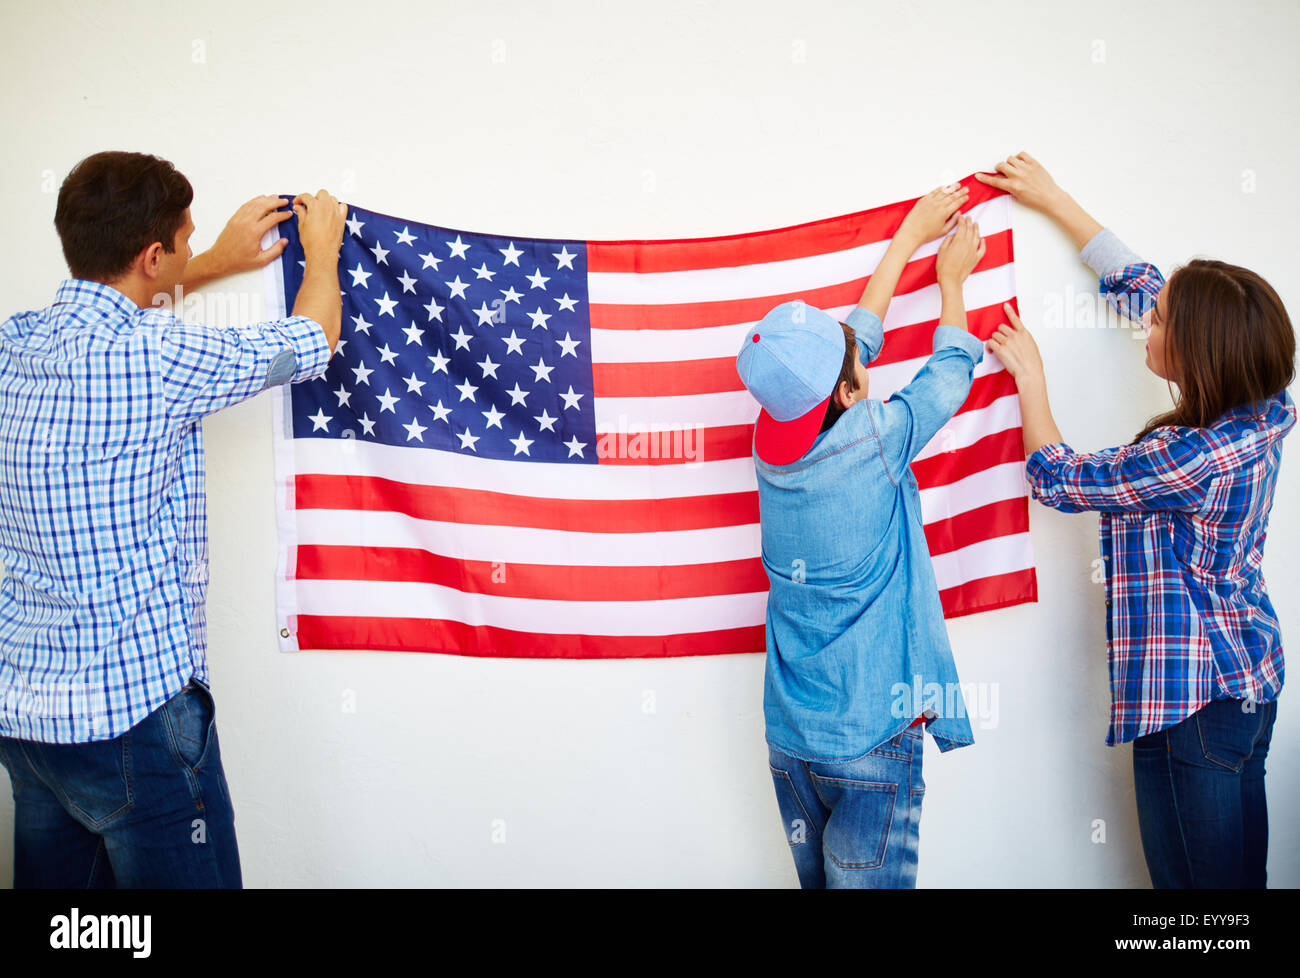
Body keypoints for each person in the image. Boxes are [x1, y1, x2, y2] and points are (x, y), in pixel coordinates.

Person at [0, 151, 346, 888]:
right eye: (185, 242)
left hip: (29, 728)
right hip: (137, 730)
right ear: (152, 255)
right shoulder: (160, 352)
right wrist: (323, 253)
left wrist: (212, 261)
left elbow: (119, 305)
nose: (192, 251)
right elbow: (312, 340)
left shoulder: (13, 345)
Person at [978, 152, 1295, 888]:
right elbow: (1142, 283)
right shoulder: (1261, 409)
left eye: (1158, 325)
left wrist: (1030, 378)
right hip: (1243, 685)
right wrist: (1055, 199)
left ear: (1198, 349)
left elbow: (1058, 479)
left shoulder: (1190, 459)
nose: (1145, 325)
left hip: (1194, 703)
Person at [737, 185, 986, 888]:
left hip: (792, 742)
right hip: (872, 738)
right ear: (849, 395)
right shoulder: (878, 439)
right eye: (856, 371)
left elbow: (850, 346)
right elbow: (948, 378)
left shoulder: (768, 443)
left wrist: (908, 235)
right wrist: (951, 284)